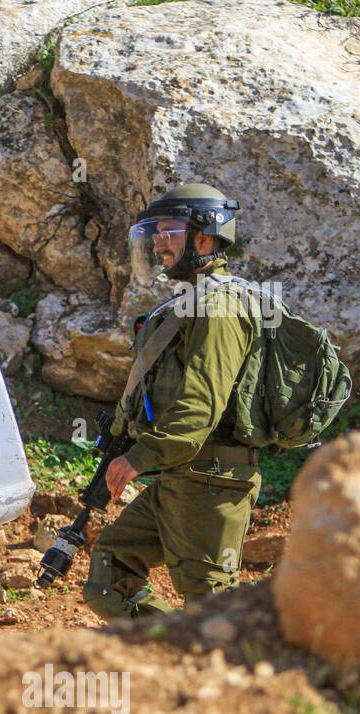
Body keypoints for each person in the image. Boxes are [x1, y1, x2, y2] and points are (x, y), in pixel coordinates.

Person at [83, 183, 262, 620]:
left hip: (212, 482)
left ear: (206, 235)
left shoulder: (220, 308)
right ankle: (172, 656)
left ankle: (236, 682)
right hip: (182, 476)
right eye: (155, 232)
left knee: (211, 614)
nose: (159, 242)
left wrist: (140, 457)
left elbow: (200, 405)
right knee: (110, 574)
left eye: (171, 231)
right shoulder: (191, 303)